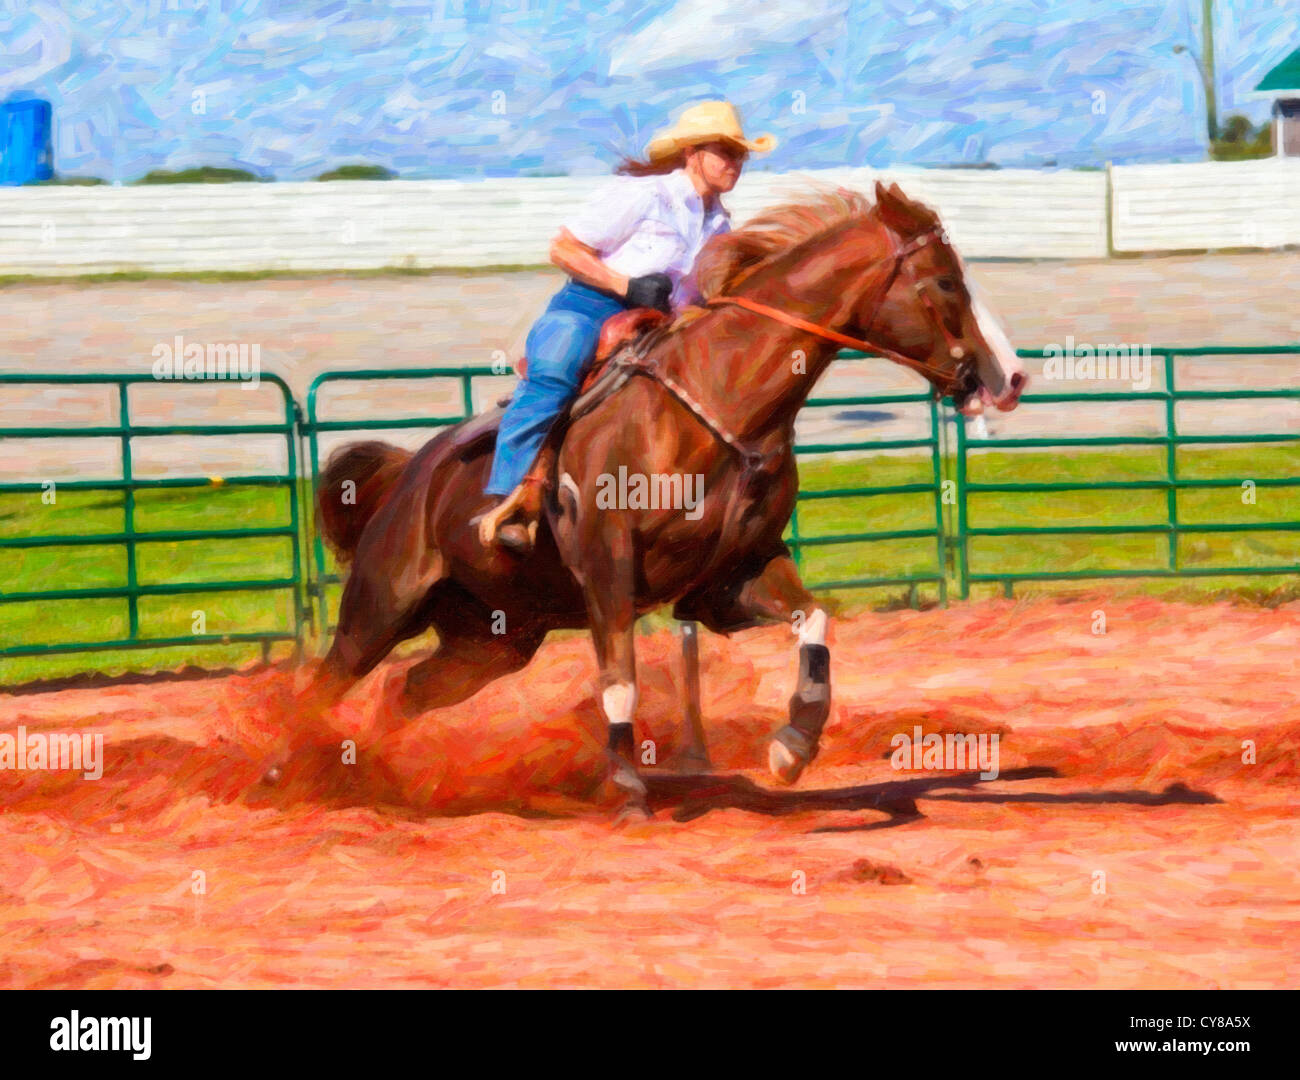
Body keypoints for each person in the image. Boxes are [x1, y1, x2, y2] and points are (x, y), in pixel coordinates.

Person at [477, 100, 776, 553]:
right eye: (725, 152)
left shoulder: (720, 224)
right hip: (590, 306)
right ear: (692, 153)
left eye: (740, 155)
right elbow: (564, 248)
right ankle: (510, 496)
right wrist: (626, 285)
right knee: (558, 367)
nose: (736, 163)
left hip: (665, 322)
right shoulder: (644, 195)